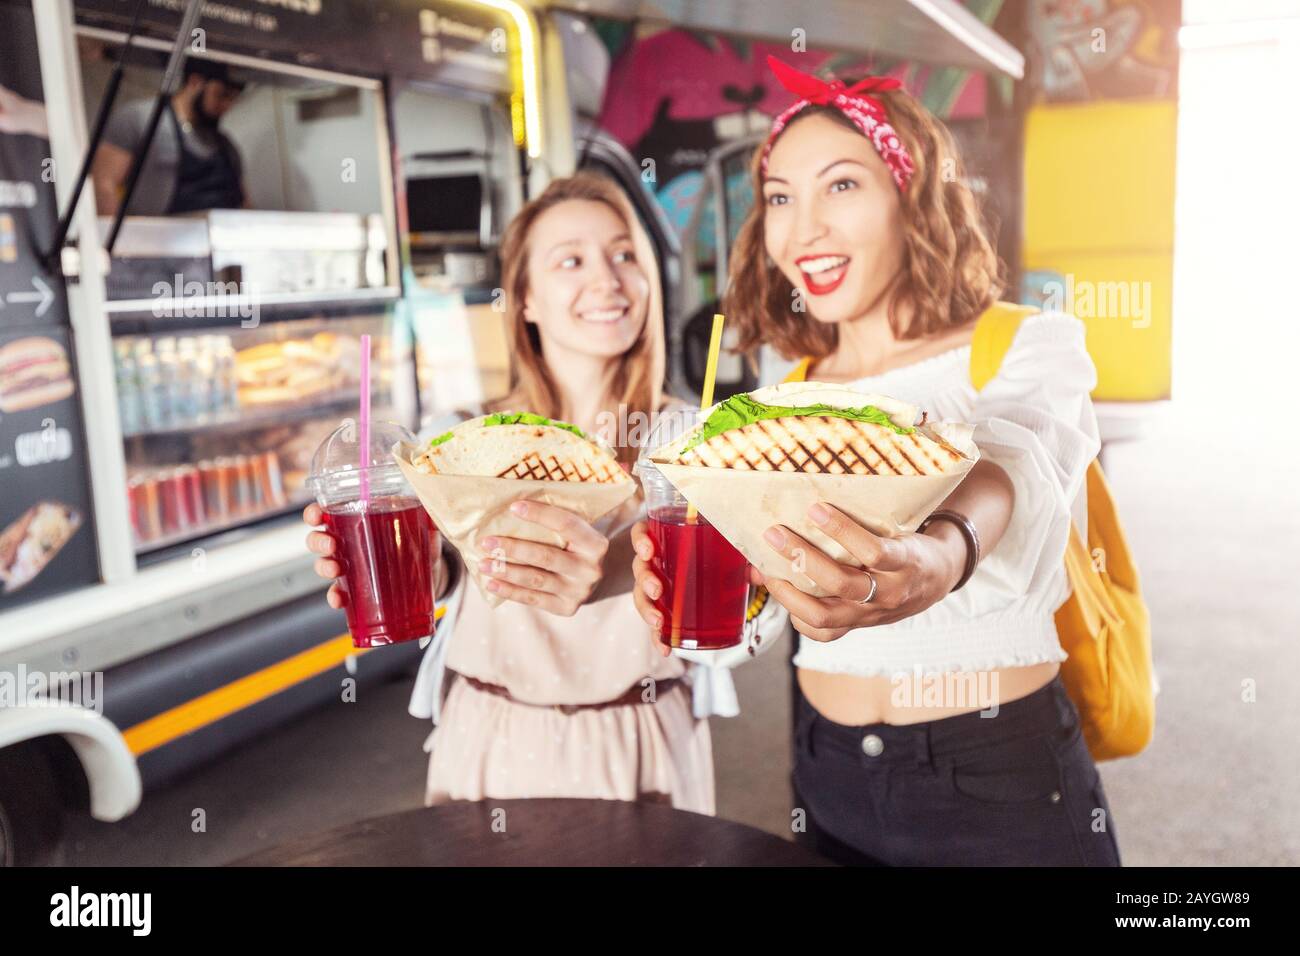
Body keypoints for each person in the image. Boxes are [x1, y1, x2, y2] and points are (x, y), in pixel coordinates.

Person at [631, 57, 1121, 866]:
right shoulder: (784, 389)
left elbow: (1013, 465)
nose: (803, 229)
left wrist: (940, 554)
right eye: (781, 197)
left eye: (842, 186)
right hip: (826, 770)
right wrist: (729, 591)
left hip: (995, 774)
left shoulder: (1021, 344)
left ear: (913, 195)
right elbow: (778, 596)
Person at [304, 172, 778, 812]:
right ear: (524, 298)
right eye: (571, 260)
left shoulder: (693, 440)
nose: (607, 279)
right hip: (494, 739)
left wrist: (754, 592)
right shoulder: (457, 439)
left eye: (624, 254)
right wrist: (422, 565)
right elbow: (442, 561)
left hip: (646, 742)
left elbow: (743, 628)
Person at [92, 59, 247, 217]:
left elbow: (244, 199)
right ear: (195, 82)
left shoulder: (225, 143)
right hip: (156, 237)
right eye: (222, 95)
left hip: (223, 236)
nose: (227, 105)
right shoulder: (140, 119)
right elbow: (104, 184)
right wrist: (124, 239)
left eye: (234, 98)